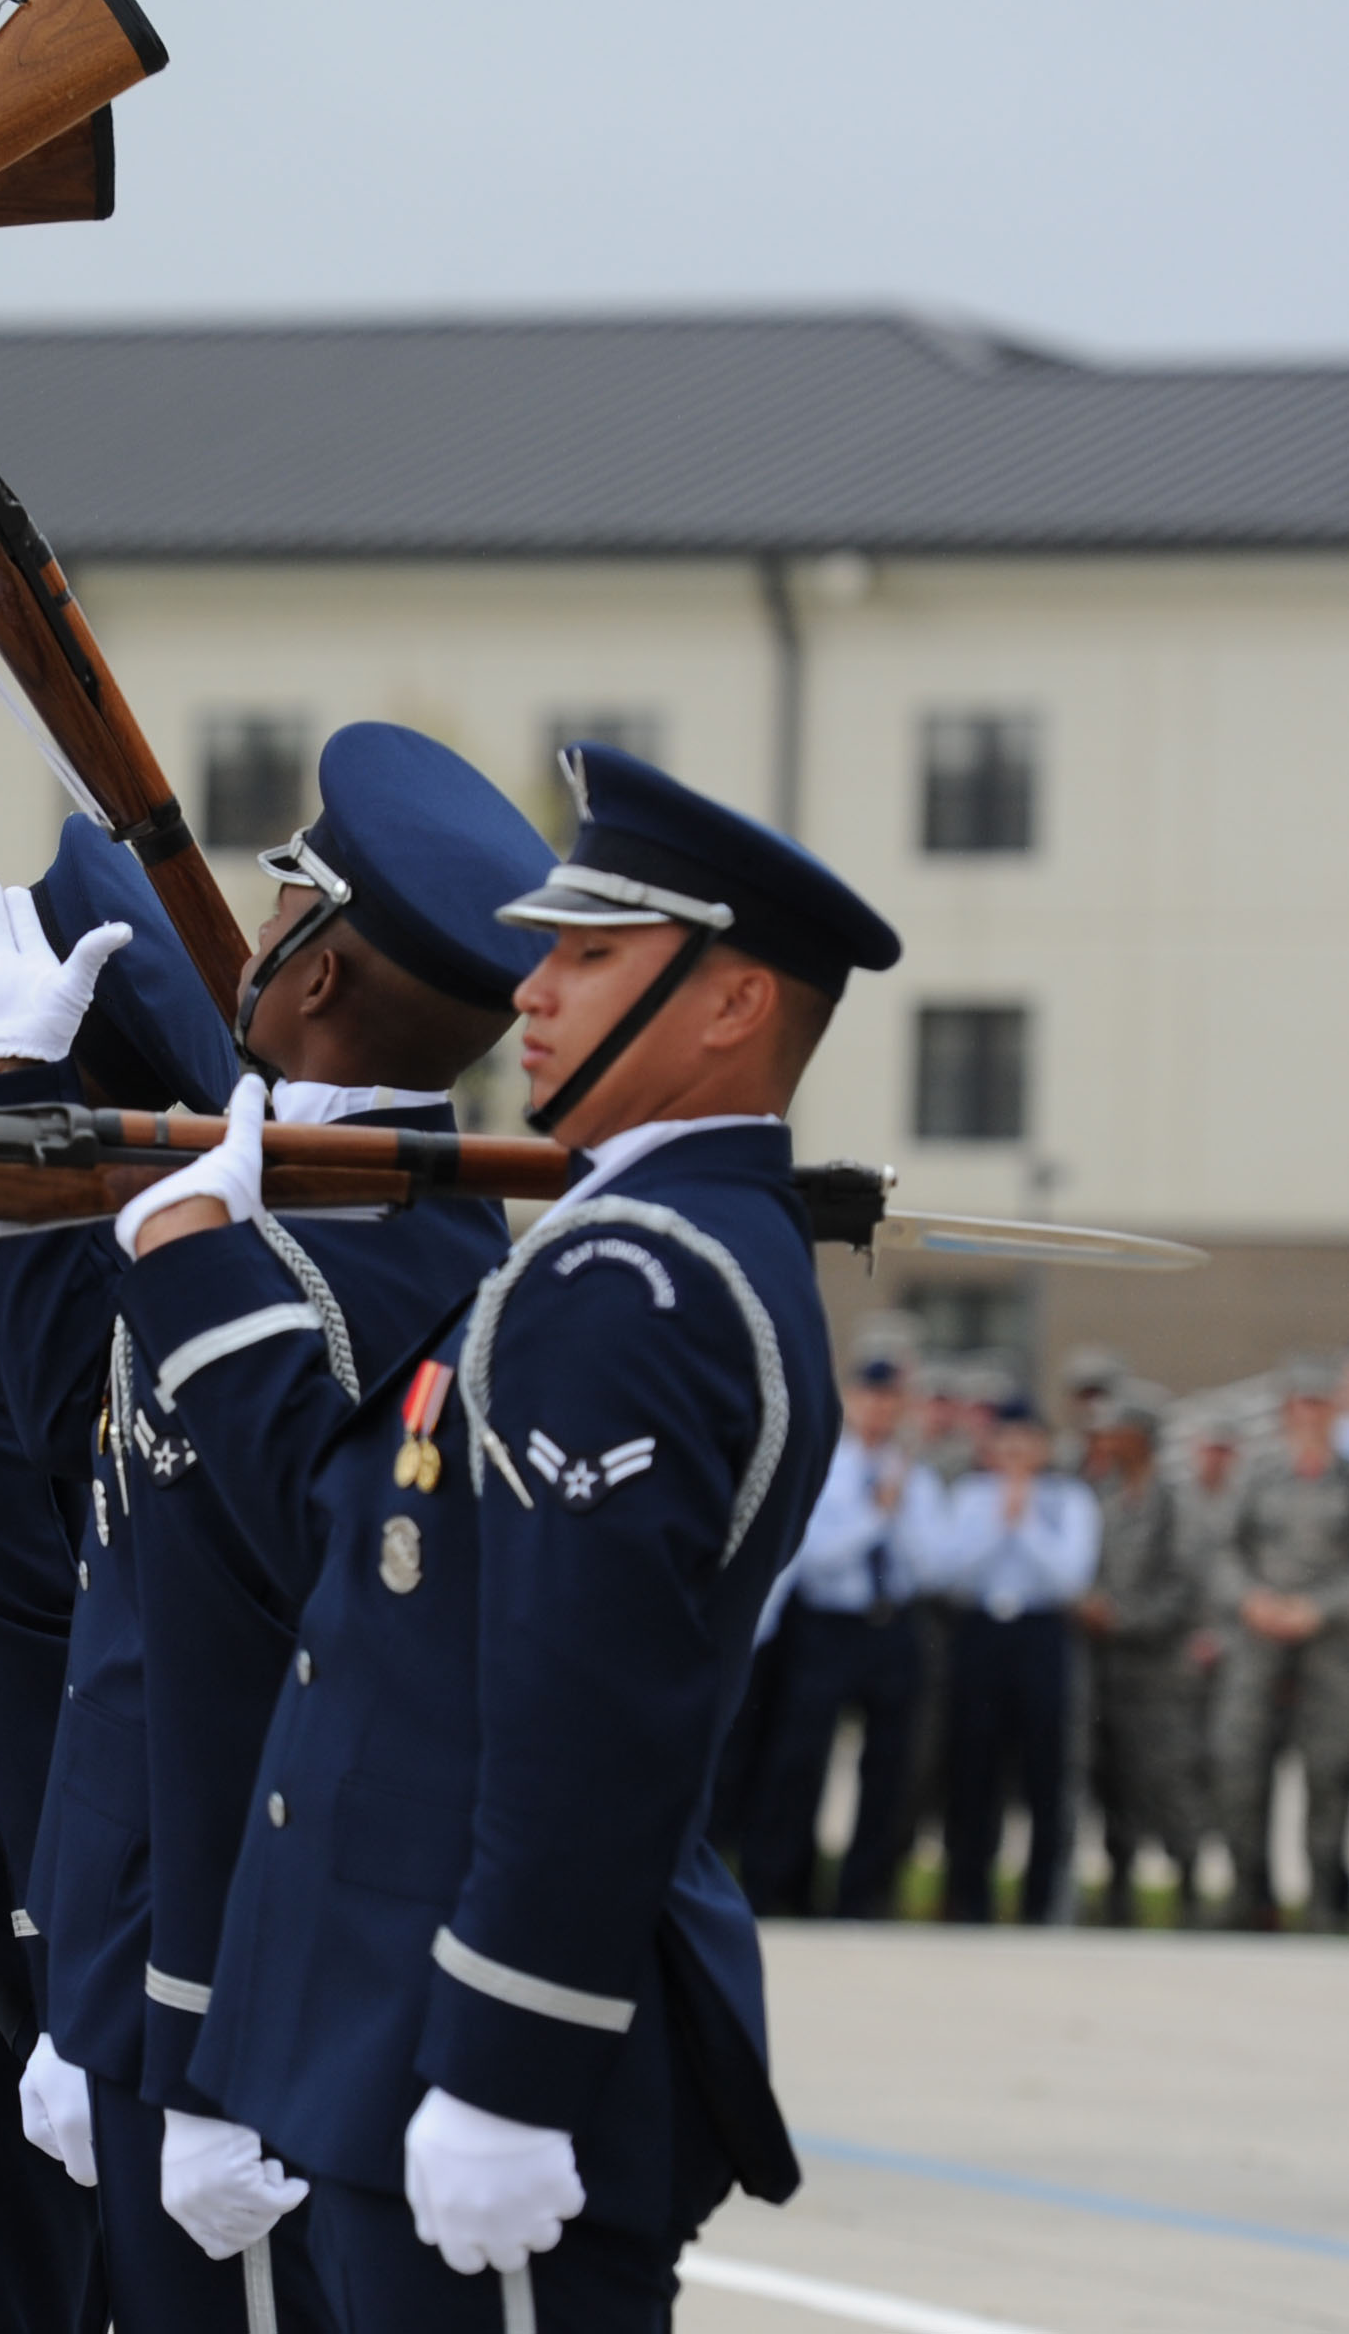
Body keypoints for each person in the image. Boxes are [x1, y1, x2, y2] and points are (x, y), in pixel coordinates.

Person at [119, 742, 895, 2324]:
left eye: (589, 953)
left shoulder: (635, 1284)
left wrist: (505, 2063)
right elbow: (354, 1534)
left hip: (467, 2060)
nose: (530, 988)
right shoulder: (612, 1257)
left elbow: (586, 1711)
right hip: (392, 2039)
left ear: (733, 1000)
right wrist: (195, 1260)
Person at [76, 726, 560, 2329]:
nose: (250, 927)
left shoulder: (350, 1266)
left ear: (320, 969)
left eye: (277, 900)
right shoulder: (270, 1216)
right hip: (163, 1980)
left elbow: (269, 1678)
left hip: (251, 2009)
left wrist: (197, 2033)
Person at [741, 1355, 945, 1919]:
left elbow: (931, 1568)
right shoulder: (825, 1467)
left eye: (890, 1401)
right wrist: (875, 1517)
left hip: (891, 1626)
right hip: (828, 1627)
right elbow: (818, 1557)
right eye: (870, 1399)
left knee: (887, 1767)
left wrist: (897, 1514)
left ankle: (863, 1893)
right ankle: (782, 1886)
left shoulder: (914, 1477)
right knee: (800, 1760)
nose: (881, 1412)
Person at [916, 1395, 1099, 1925]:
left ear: (1044, 1448)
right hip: (980, 1633)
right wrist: (1000, 1520)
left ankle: (1041, 1900)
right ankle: (968, 1895)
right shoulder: (971, 1496)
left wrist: (1026, 1524)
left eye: (1026, 1443)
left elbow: (1071, 1580)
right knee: (973, 1765)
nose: (1015, 1453)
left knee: (1045, 1768)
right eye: (1005, 1443)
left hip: (1041, 1634)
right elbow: (946, 1572)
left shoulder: (1069, 1500)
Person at [1202, 1362, 1349, 1930]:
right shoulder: (1259, 1478)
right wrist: (1250, 1600)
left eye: (1319, 1404)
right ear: (1286, 1411)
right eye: (1299, 1405)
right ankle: (1249, 1891)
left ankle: (1323, 1897)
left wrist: (1320, 1608)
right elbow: (1222, 1552)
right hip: (1259, 1639)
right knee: (1237, 1762)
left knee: (1329, 1769)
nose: (1308, 1416)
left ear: (1332, 1410)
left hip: (1330, 1645)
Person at [1076, 1386, 1212, 1924]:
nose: (1106, 1440)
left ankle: (1189, 1884)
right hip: (1106, 1667)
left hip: (1158, 1669)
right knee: (1112, 1777)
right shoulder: (1103, 1498)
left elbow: (1184, 1585)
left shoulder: (1174, 1502)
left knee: (1167, 1776)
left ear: (1142, 1437)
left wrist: (1125, 1619)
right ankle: (1118, 1888)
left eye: (1117, 1431)